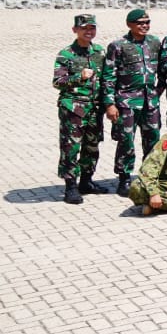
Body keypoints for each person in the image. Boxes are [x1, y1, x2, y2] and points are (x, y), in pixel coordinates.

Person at [102, 7, 162, 196]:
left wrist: (157, 91)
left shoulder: (154, 42)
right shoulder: (118, 45)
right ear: (129, 25)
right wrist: (110, 104)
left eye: (147, 23)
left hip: (150, 102)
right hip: (127, 102)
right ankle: (124, 177)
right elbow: (108, 76)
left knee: (153, 139)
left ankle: (149, 176)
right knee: (126, 140)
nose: (144, 26)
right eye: (140, 23)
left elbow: (162, 69)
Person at [53, 13, 108, 204]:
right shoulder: (66, 54)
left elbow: (106, 79)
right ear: (75, 30)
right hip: (73, 108)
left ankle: (86, 181)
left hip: (94, 108)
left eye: (92, 28)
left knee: (92, 146)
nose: (89, 31)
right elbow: (58, 81)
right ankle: (70, 187)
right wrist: (79, 77)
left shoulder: (99, 52)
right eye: (84, 28)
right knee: (71, 147)